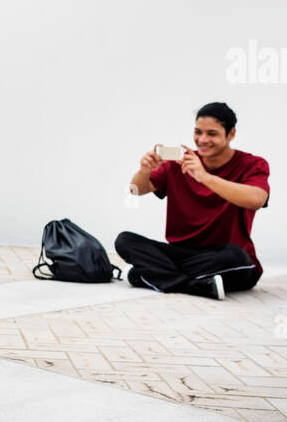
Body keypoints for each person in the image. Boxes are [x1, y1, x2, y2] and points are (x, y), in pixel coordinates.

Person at [115, 102, 270, 300]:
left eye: (212, 133)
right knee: (125, 240)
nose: (202, 140)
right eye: (198, 132)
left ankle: (151, 275)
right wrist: (144, 171)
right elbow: (135, 190)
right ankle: (197, 286)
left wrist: (204, 177)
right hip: (181, 252)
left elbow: (256, 199)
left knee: (236, 257)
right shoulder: (178, 164)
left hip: (224, 257)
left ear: (231, 134)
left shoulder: (252, 164)